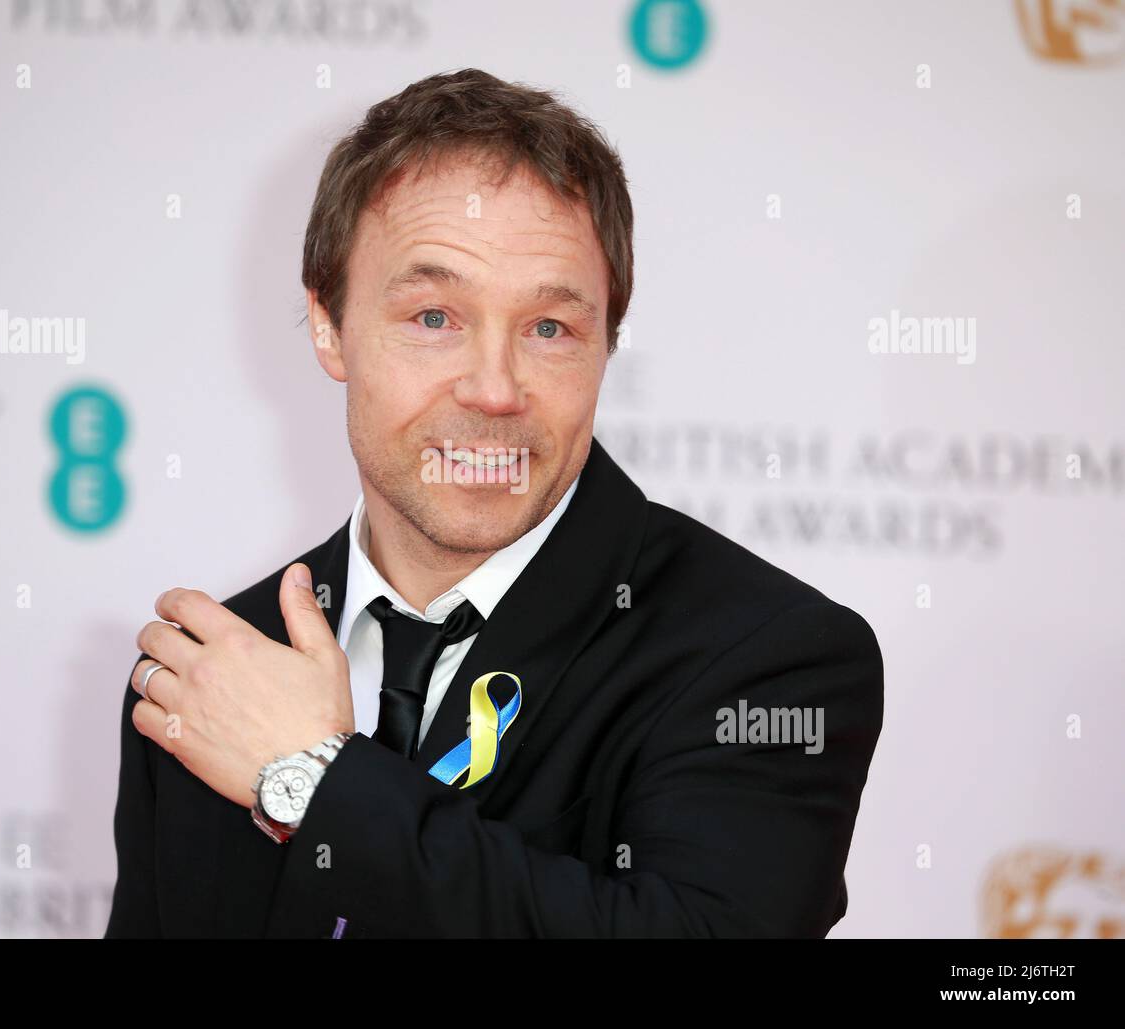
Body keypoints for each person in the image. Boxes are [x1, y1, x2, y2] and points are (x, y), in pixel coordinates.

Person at [104, 67, 883, 939]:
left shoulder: (766, 657)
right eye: (434, 316)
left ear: (606, 345)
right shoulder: (214, 674)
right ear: (328, 325)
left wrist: (318, 779)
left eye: (549, 328)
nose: (494, 388)